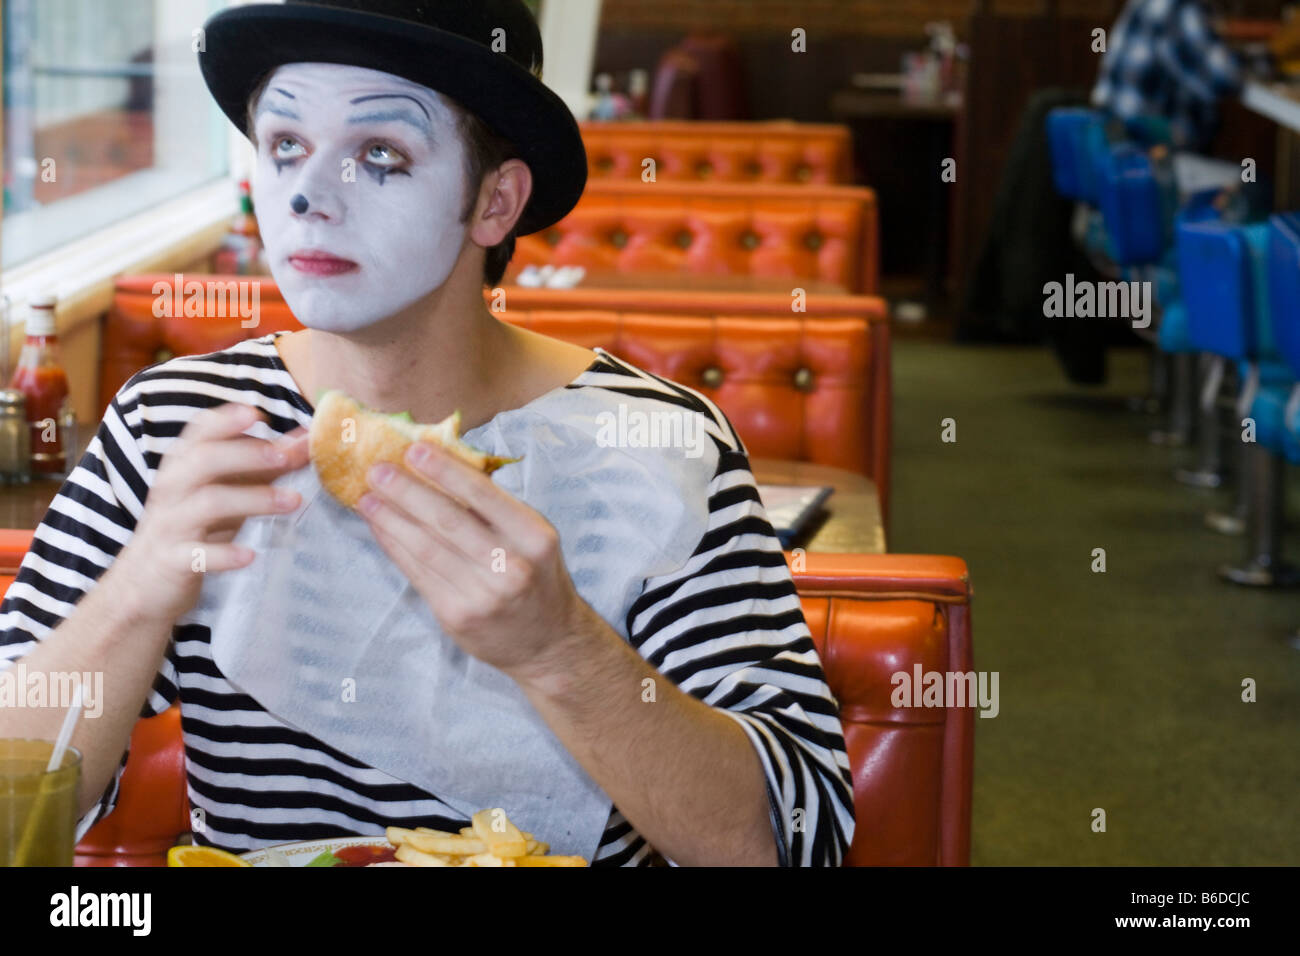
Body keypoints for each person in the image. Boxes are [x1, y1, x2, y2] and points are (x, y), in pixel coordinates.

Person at [0, 0, 853, 866]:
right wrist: (139, 588)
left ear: (495, 202)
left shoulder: (664, 445)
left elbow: (794, 845)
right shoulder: (173, 425)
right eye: (286, 145)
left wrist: (559, 649)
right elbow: (11, 804)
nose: (304, 194)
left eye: (380, 154)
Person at [1090, 0, 1242, 152]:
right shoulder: (1181, 7)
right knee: (1259, 176)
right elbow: (1224, 80)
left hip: (1115, 136)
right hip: (1145, 150)